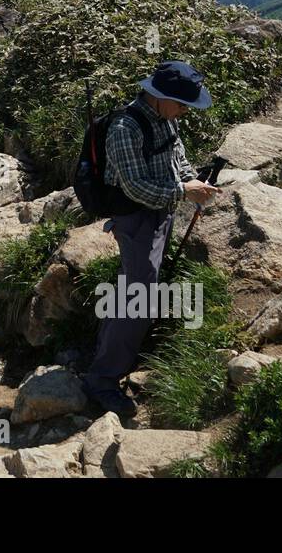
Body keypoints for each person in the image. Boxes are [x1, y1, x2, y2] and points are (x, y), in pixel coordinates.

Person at [82, 60, 220, 418]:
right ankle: (102, 379)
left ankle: (110, 349)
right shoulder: (126, 128)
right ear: (159, 96)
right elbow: (135, 187)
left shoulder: (166, 118)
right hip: (135, 219)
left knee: (136, 287)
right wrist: (182, 192)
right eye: (182, 104)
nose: (186, 112)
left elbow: (179, 159)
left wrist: (193, 184)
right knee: (139, 297)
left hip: (160, 213)